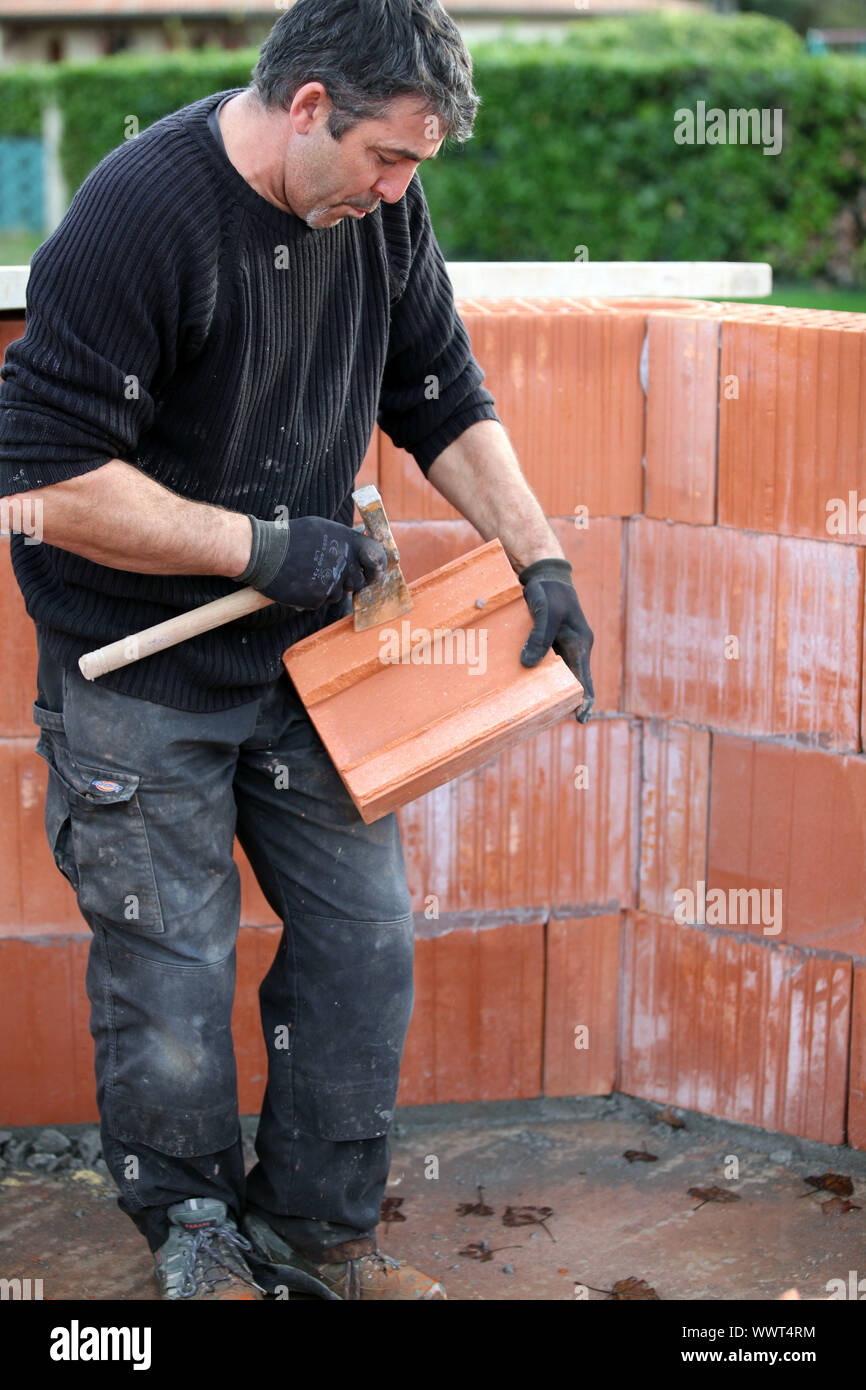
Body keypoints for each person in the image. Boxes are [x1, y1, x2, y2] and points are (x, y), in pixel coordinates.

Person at [0, 0, 594, 1301]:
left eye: (416, 167)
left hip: (303, 673)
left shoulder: (378, 213)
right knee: (173, 972)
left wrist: (537, 561)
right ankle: (198, 1239)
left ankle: (320, 1234)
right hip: (134, 672)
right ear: (311, 105)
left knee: (365, 938)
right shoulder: (140, 214)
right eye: (389, 156)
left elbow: (438, 388)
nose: (399, 189)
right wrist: (264, 549)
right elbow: (40, 479)